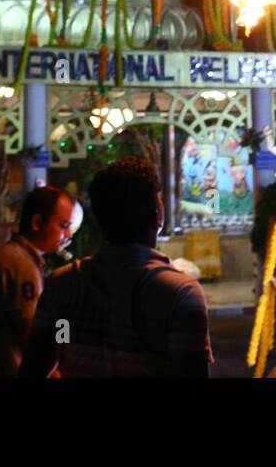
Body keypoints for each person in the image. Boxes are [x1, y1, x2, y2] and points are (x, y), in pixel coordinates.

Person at [19, 156, 213, 377]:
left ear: (100, 221)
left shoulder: (61, 285)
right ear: (158, 216)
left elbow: (39, 364)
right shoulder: (180, 294)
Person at [0, 186, 75, 377]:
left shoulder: (18, 258)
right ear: (37, 222)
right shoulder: (19, 265)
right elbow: (34, 343)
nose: (68, 235)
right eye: (63, 226)